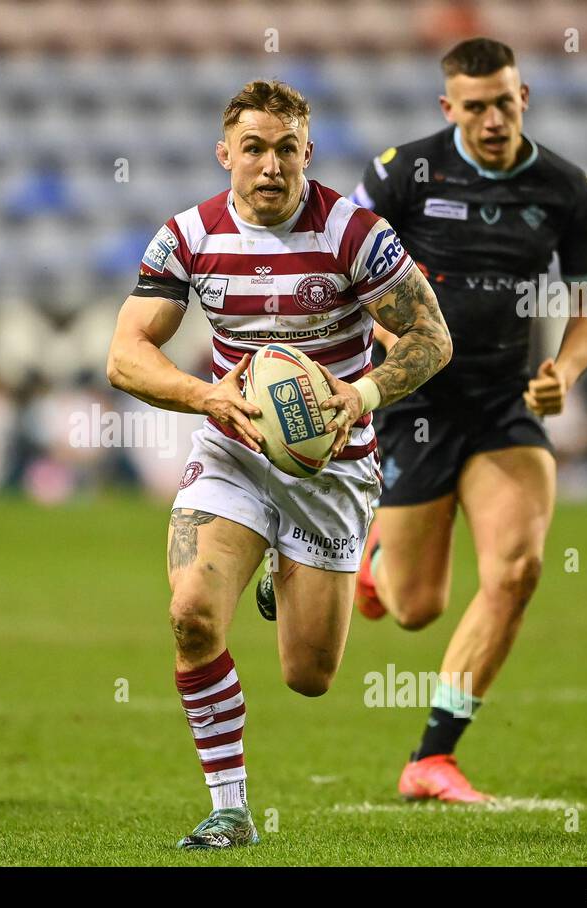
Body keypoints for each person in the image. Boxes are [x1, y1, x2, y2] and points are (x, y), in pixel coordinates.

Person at [258, 38, 587, 803]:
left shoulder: (567, 191)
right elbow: (337, 267)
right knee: (418, 609)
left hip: (504, 402)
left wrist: (567, 372)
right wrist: (390, 344)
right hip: (418, 403)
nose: (493, 118)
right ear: (447, 108)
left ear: (526, 99)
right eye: (476, 105)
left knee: (516, 570)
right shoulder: (401, 173)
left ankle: (432, 759)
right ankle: (373, 564)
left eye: (506, 102)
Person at [106, 80, 452, 848]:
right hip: (233, 449)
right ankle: (230, 807)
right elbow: (126, 356)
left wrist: (361, 396)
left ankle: (282, 568)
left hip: (331, 468)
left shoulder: (355, 235)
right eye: (253, 148)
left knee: (309, 676)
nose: (269, 165)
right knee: (190, 614)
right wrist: (208, 398)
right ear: (224, 153)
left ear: (308, 154)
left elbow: (433, 337)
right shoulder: (188, 236)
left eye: (285, 149)